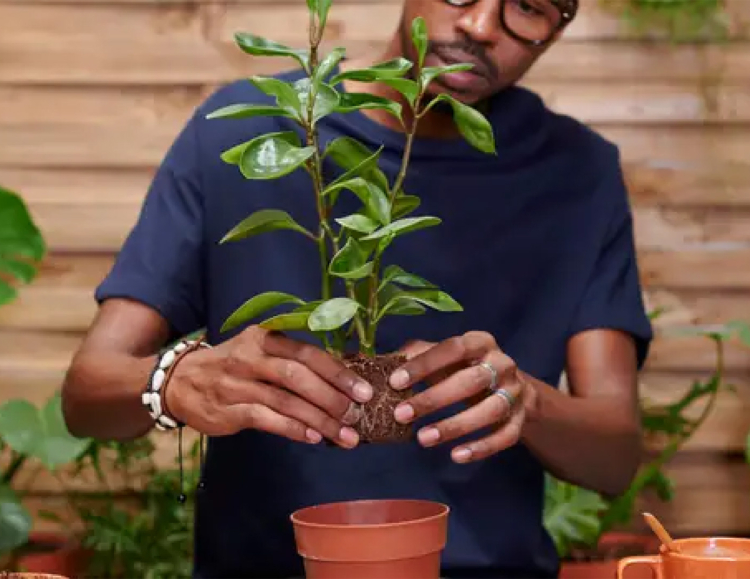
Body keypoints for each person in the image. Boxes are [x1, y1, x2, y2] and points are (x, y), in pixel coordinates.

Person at [61, 0, 653, 576]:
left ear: (556, 29)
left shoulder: (578, 172)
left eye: (527, 7)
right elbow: (87, 393)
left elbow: (614, 457)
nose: (477, 23)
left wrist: (526, 400)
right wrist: (175, 381)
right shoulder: (252, 133)